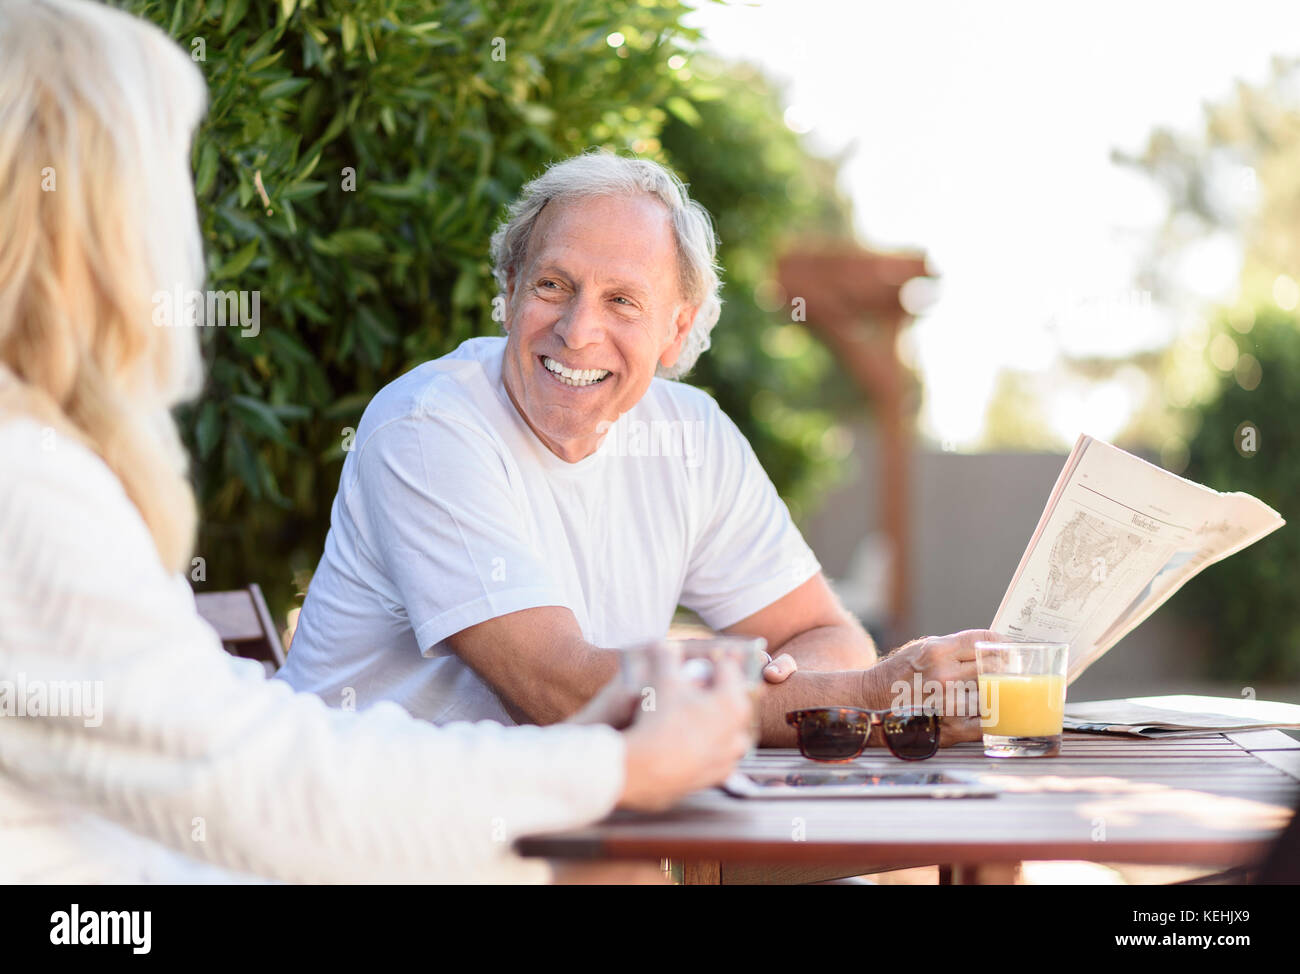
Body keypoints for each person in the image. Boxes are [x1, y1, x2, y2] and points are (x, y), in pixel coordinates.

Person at [0, 0, 754, 884]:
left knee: (602, 865)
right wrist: (616, 767)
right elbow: (259, 786)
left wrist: (592, 754)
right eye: (162, 179)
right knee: (602, 866)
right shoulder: (26, 488)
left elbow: (235, 740)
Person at [277, 151, 995, 746]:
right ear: (508, 290)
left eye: (622, 300)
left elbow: (820, 631)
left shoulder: (690, 434)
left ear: (677, 331)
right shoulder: (430, 428)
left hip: (557, 838)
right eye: (554, 285)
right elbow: (563, 690)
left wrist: (791, 687)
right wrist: (868, 695)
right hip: (364, 844)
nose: (578, 330)